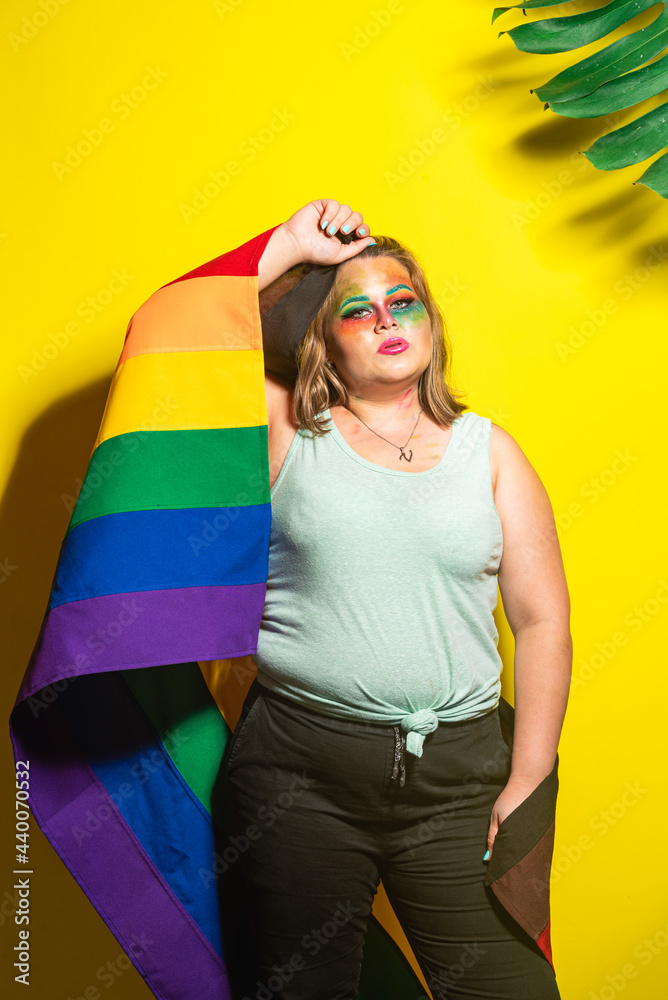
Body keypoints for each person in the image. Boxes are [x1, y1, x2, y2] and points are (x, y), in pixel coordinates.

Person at [220, 199, 572, 1000]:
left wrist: (529, 775)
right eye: (357, 308)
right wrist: (288, 246)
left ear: (430, 320)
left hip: (461, 783)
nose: (385, 318)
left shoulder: (491, 451)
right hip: (297, 776)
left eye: (401, 300)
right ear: (323, 336)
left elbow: (542, 620)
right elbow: (176, 337)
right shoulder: (284, 429)